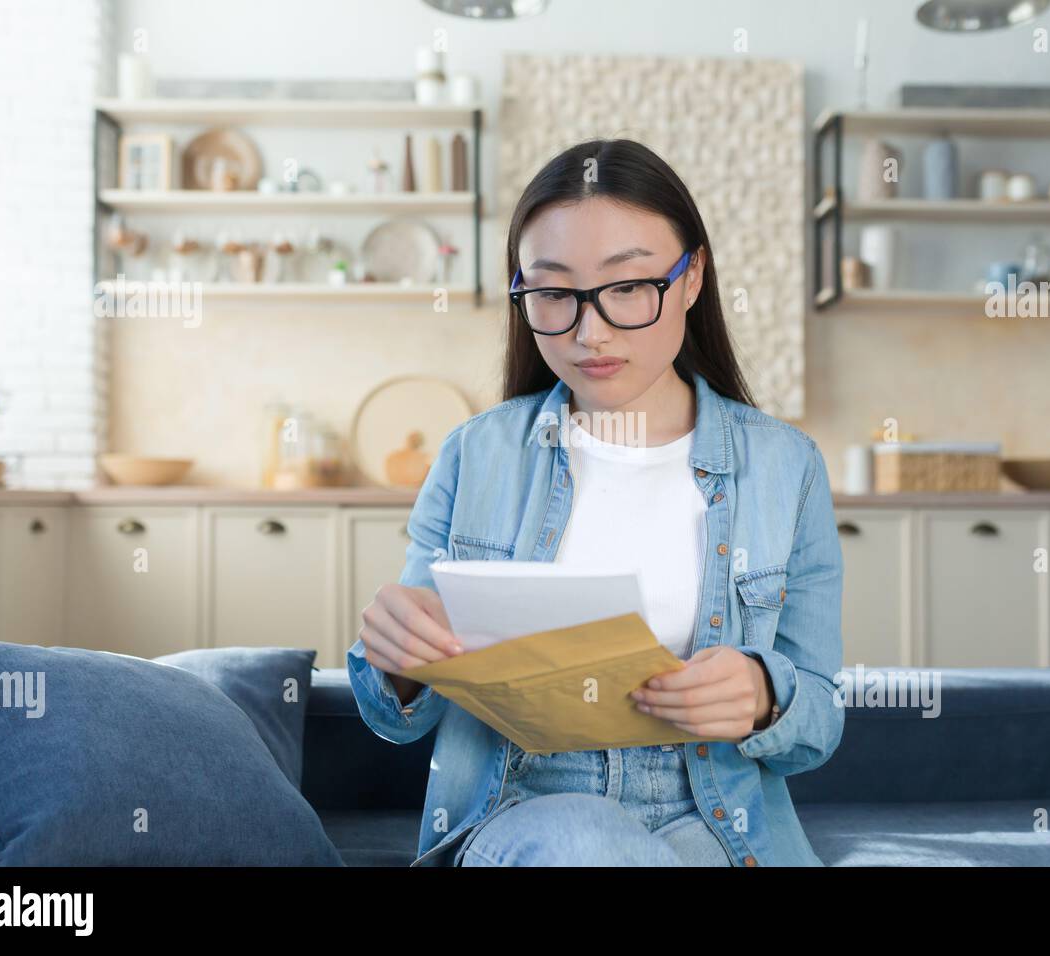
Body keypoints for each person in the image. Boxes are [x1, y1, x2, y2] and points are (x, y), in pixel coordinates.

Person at [348, 138, 844, 866]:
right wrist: (395, 659)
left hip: (713, 819)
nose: (591, 331)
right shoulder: (476, 455)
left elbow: (821, 719)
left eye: (629, 286)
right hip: (524, 813)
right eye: (553, 293)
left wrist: (765, 698)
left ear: (692, 276)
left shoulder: (785, 467)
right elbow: (396, 721)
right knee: (588, 842)